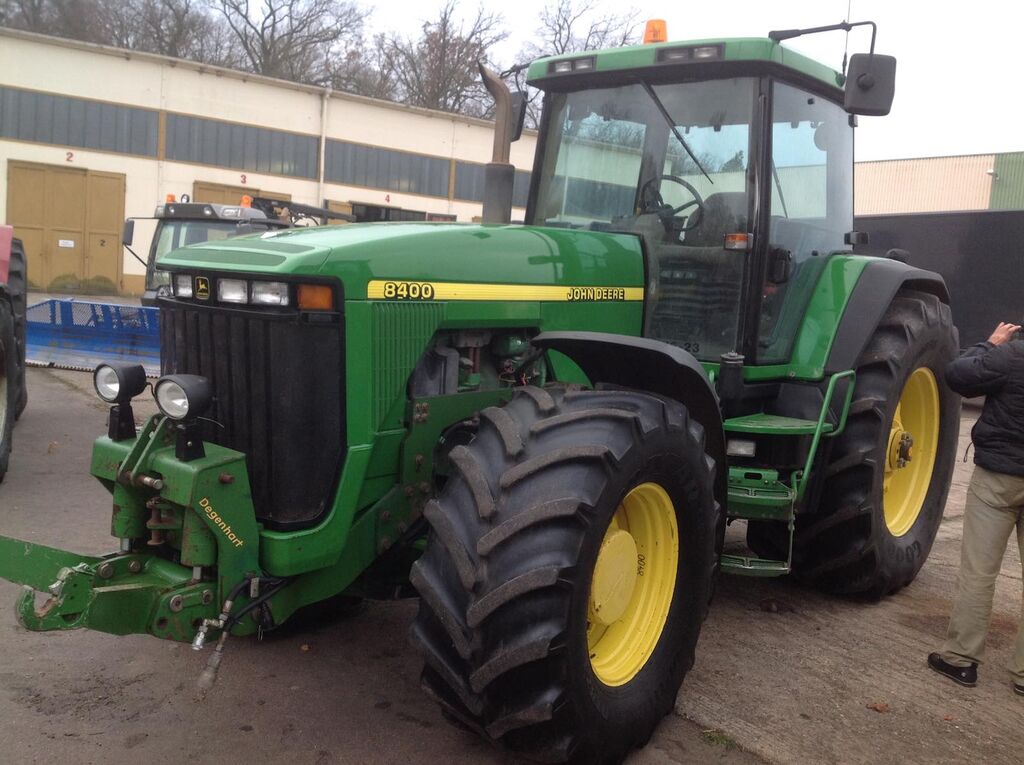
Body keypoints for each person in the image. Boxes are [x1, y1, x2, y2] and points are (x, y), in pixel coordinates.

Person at [928, 321, 1024, 695]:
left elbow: (958, 375)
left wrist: (990, 343)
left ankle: (961, 660)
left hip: (997, 481)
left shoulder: (1011, 356)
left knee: (979, 574)